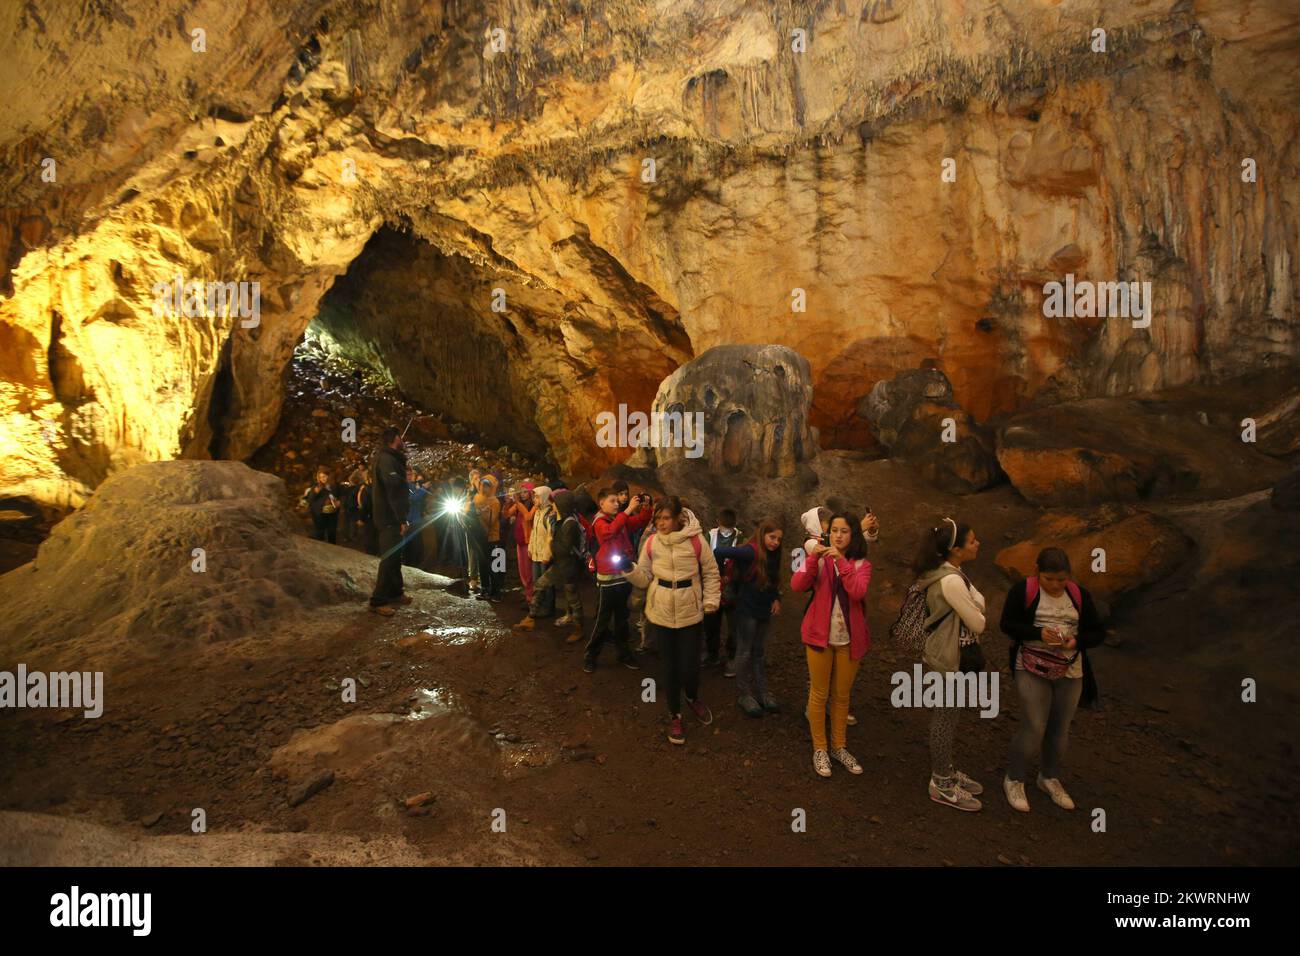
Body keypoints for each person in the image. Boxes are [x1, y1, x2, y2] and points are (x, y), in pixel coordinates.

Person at [1000, 547, 1105, 813]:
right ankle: (1014, 778)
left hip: (1070, 669)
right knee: (1035, 725)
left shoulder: (1078, 595)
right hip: (1031, 665)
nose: (1056, 585)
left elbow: (1097, 632)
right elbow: (1007, 624)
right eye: (1050, 579)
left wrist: (1076, 641)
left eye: (1061, 579)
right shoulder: (1024, 591)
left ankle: (1049, 777)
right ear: (1038, 573)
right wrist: (1037, 633)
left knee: (1060, 729)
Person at [623, 497, 721, 746]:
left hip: (689, 610)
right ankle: (675, 714)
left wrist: (711, 601)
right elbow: (645, 578)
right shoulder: (652, 543)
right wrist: (629, 569)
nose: (661, 523)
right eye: (657, 519)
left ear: (678, 518)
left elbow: (710, 572)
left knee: (690, 664)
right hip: (661, 611)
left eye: (666, 518)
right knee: (669, 666)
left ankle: (692, 696)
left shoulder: (696, 541)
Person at [912, 517, 987, 811]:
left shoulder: (950, 572)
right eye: (971, 541)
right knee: (945, 720)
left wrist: (975, 602)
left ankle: (947, 771)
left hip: (946, 655)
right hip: (948, 660)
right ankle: (941, 782)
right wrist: (977, 603)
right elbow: (979, 623)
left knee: (949, 716)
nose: (977, 543)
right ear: (955, 549)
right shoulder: (952, 580)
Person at [791, 513, 872, 777]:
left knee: (841, 696)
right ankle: (820, 748)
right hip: (819, 637)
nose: (838, 536)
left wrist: (841, 562)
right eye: (834, 530)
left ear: (853, 535)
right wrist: (815, 557)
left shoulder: (862, 564)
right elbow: (797, 584)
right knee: (819, 693)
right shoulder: (820, 561)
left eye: (845, 531)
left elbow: (857, 592)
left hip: (849, 639)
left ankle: (839, 746)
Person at [713, 520, 783, 717]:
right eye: (772, 537)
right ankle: (744, 694)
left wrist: (776, 598)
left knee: (759, 651)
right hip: (747, 609)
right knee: (744, 652)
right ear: (762, 535)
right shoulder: (751, 552)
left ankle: (762, 692)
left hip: (763, 609)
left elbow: (773, 578)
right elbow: (718, 551)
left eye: (778, 539)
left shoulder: (773, 554)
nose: (775, 542)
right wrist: (719, 574)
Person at [583, 487, 651, 672]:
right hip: (607, 578)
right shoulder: (600, 521)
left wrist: (645, 507)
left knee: (622, 619)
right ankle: (590, 655)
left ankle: (624, 654)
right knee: (602, 620)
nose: (617, 504)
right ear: (601, 503)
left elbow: (638, 522)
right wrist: (627, 510)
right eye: (612, 501)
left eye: (617, 501)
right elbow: (608, 533)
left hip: (623, 575)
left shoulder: (618, 519)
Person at [514, 490, 586, 641]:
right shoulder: (561, 520)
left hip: (569, 567)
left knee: (573, 598)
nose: (553, 506)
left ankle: (579, 629)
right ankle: (530, 618)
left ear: (562, 506)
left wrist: (551, 542)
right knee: (539, 585)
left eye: (555, 504)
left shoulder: (570, 524)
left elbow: (564, 549)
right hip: (561, 565)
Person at [368, 428, 412, 616]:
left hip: (390, 515)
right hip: (389, 517)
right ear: (395, 438)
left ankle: (395, 592)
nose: (402, 440)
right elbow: (393, 489)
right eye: (400, 437)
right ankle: (378, 601)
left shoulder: (389, 458)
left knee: (395, 555)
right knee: (389, 558)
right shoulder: (387, 460)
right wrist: (401, 518)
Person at [703, 508, 745, 672]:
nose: (726, 531)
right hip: (713, 585)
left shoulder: (740, 537)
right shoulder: (710, 536)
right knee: (711, 623)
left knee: (734, 626)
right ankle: (712, 654)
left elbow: (743, 562)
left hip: (733, 588)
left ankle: (732, 656)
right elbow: (703, 558)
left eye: (729, 527)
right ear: (718, 523)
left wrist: (731, 577)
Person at [504, 482, 538, 605]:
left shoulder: (534, 505)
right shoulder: (520, 505)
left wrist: (517, 502)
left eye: (525, 492)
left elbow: (528, 517)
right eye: (521, 492)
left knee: (528, 570)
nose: (523, 494)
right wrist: (508, 502)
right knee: (522, 570)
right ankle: (527, 593)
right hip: (520, 541)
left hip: (528, 541)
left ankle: (531, 596)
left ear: (531, 493)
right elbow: (507, 514)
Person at [472, 474, 504, 601]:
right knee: (482, 564)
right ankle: (485, 588)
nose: (485, 488)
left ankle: (497, 591)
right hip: (480, 537)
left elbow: (491, 521)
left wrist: (479, 513)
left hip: (492, 537)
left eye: (487, 486)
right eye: (483, 485)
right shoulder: (477, 498)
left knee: (495, 565)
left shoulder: (495, 502)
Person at [527, 485, 557, 619]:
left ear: (545, 497)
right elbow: (534, 532)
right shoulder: (538, 512)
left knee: (547, 583)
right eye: (534, 497)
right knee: (537, 581)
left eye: (537, 497)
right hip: (536, 554)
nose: (535, 499)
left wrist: (547, 555)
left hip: (544, 555)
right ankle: (537, 606)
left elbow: (550, 536)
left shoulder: (550, 514)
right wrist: (530, 548)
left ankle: (548, 608)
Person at [301, 469, 341, 543]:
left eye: (324, 476)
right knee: (320, 532)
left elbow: (337, 497)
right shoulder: (316, 487)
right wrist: (315, 492)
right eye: (321, 477)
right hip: (319, 513)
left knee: (332, 532)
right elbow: (310, 499)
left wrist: (338, 502)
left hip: (332, 512)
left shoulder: (333, 486)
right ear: (318, 478)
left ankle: (332, 547)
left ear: (328, 476)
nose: (323, 478)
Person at [403, 467, 429, 568]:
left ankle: (415, 563)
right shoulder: (404, 486)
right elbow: (413, 498)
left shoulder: (412, 485)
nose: (409, 476)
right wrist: (423, 489)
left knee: (416, 543)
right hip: (410, 519)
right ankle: (409, 564)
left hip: (416, 518)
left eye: (410, 474)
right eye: (407, 475)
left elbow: (418, 497)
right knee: (411, 543)